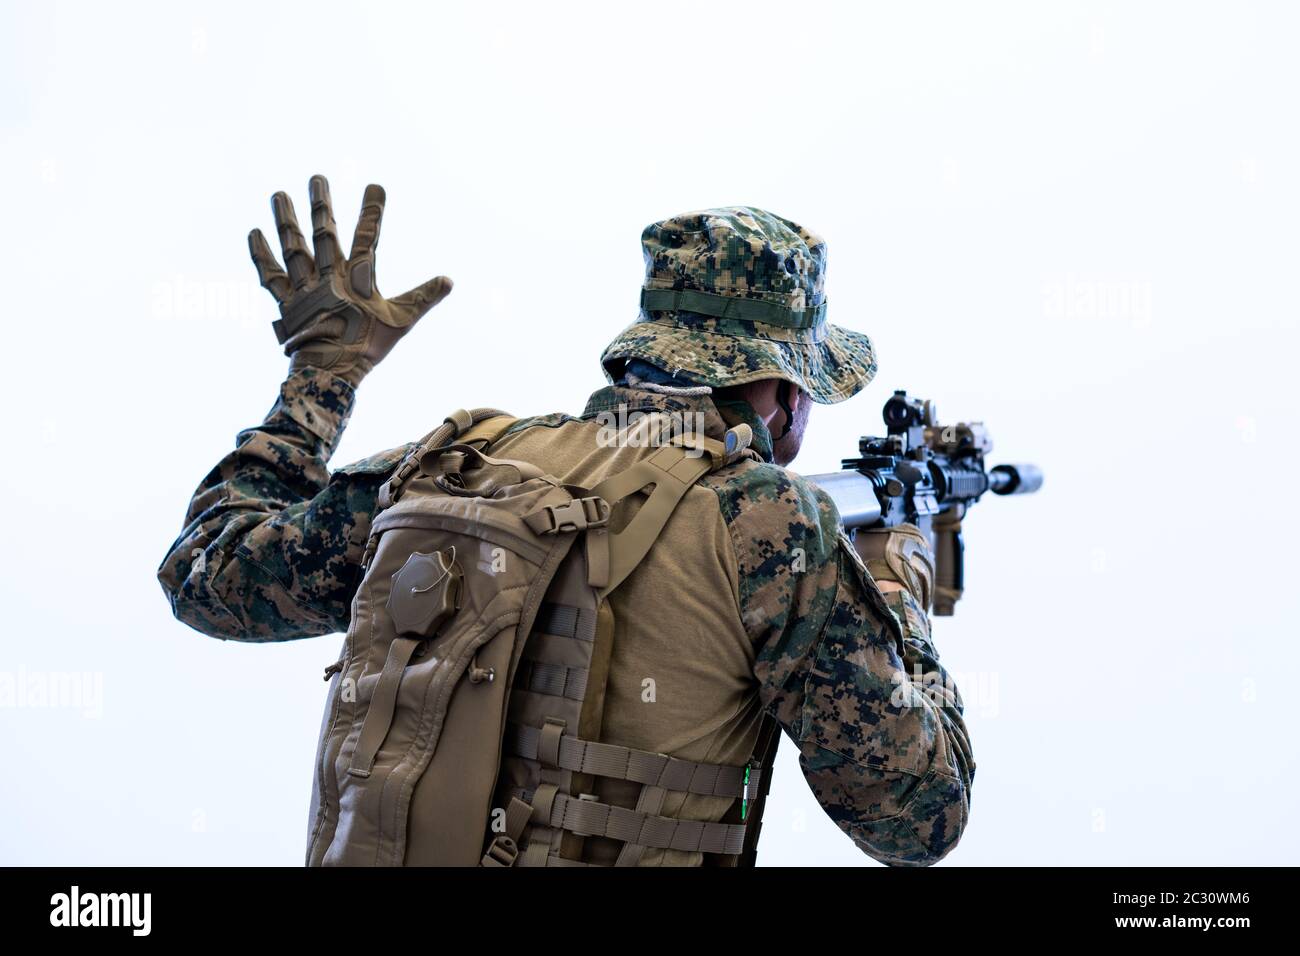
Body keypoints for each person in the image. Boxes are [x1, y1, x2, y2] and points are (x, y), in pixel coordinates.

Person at [157, 176, 974, 866]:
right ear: (789, 392)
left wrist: (322, 374)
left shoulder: (458, 459)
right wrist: (894, 584)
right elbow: (918, 815)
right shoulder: (768, 523)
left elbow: (206, 574)